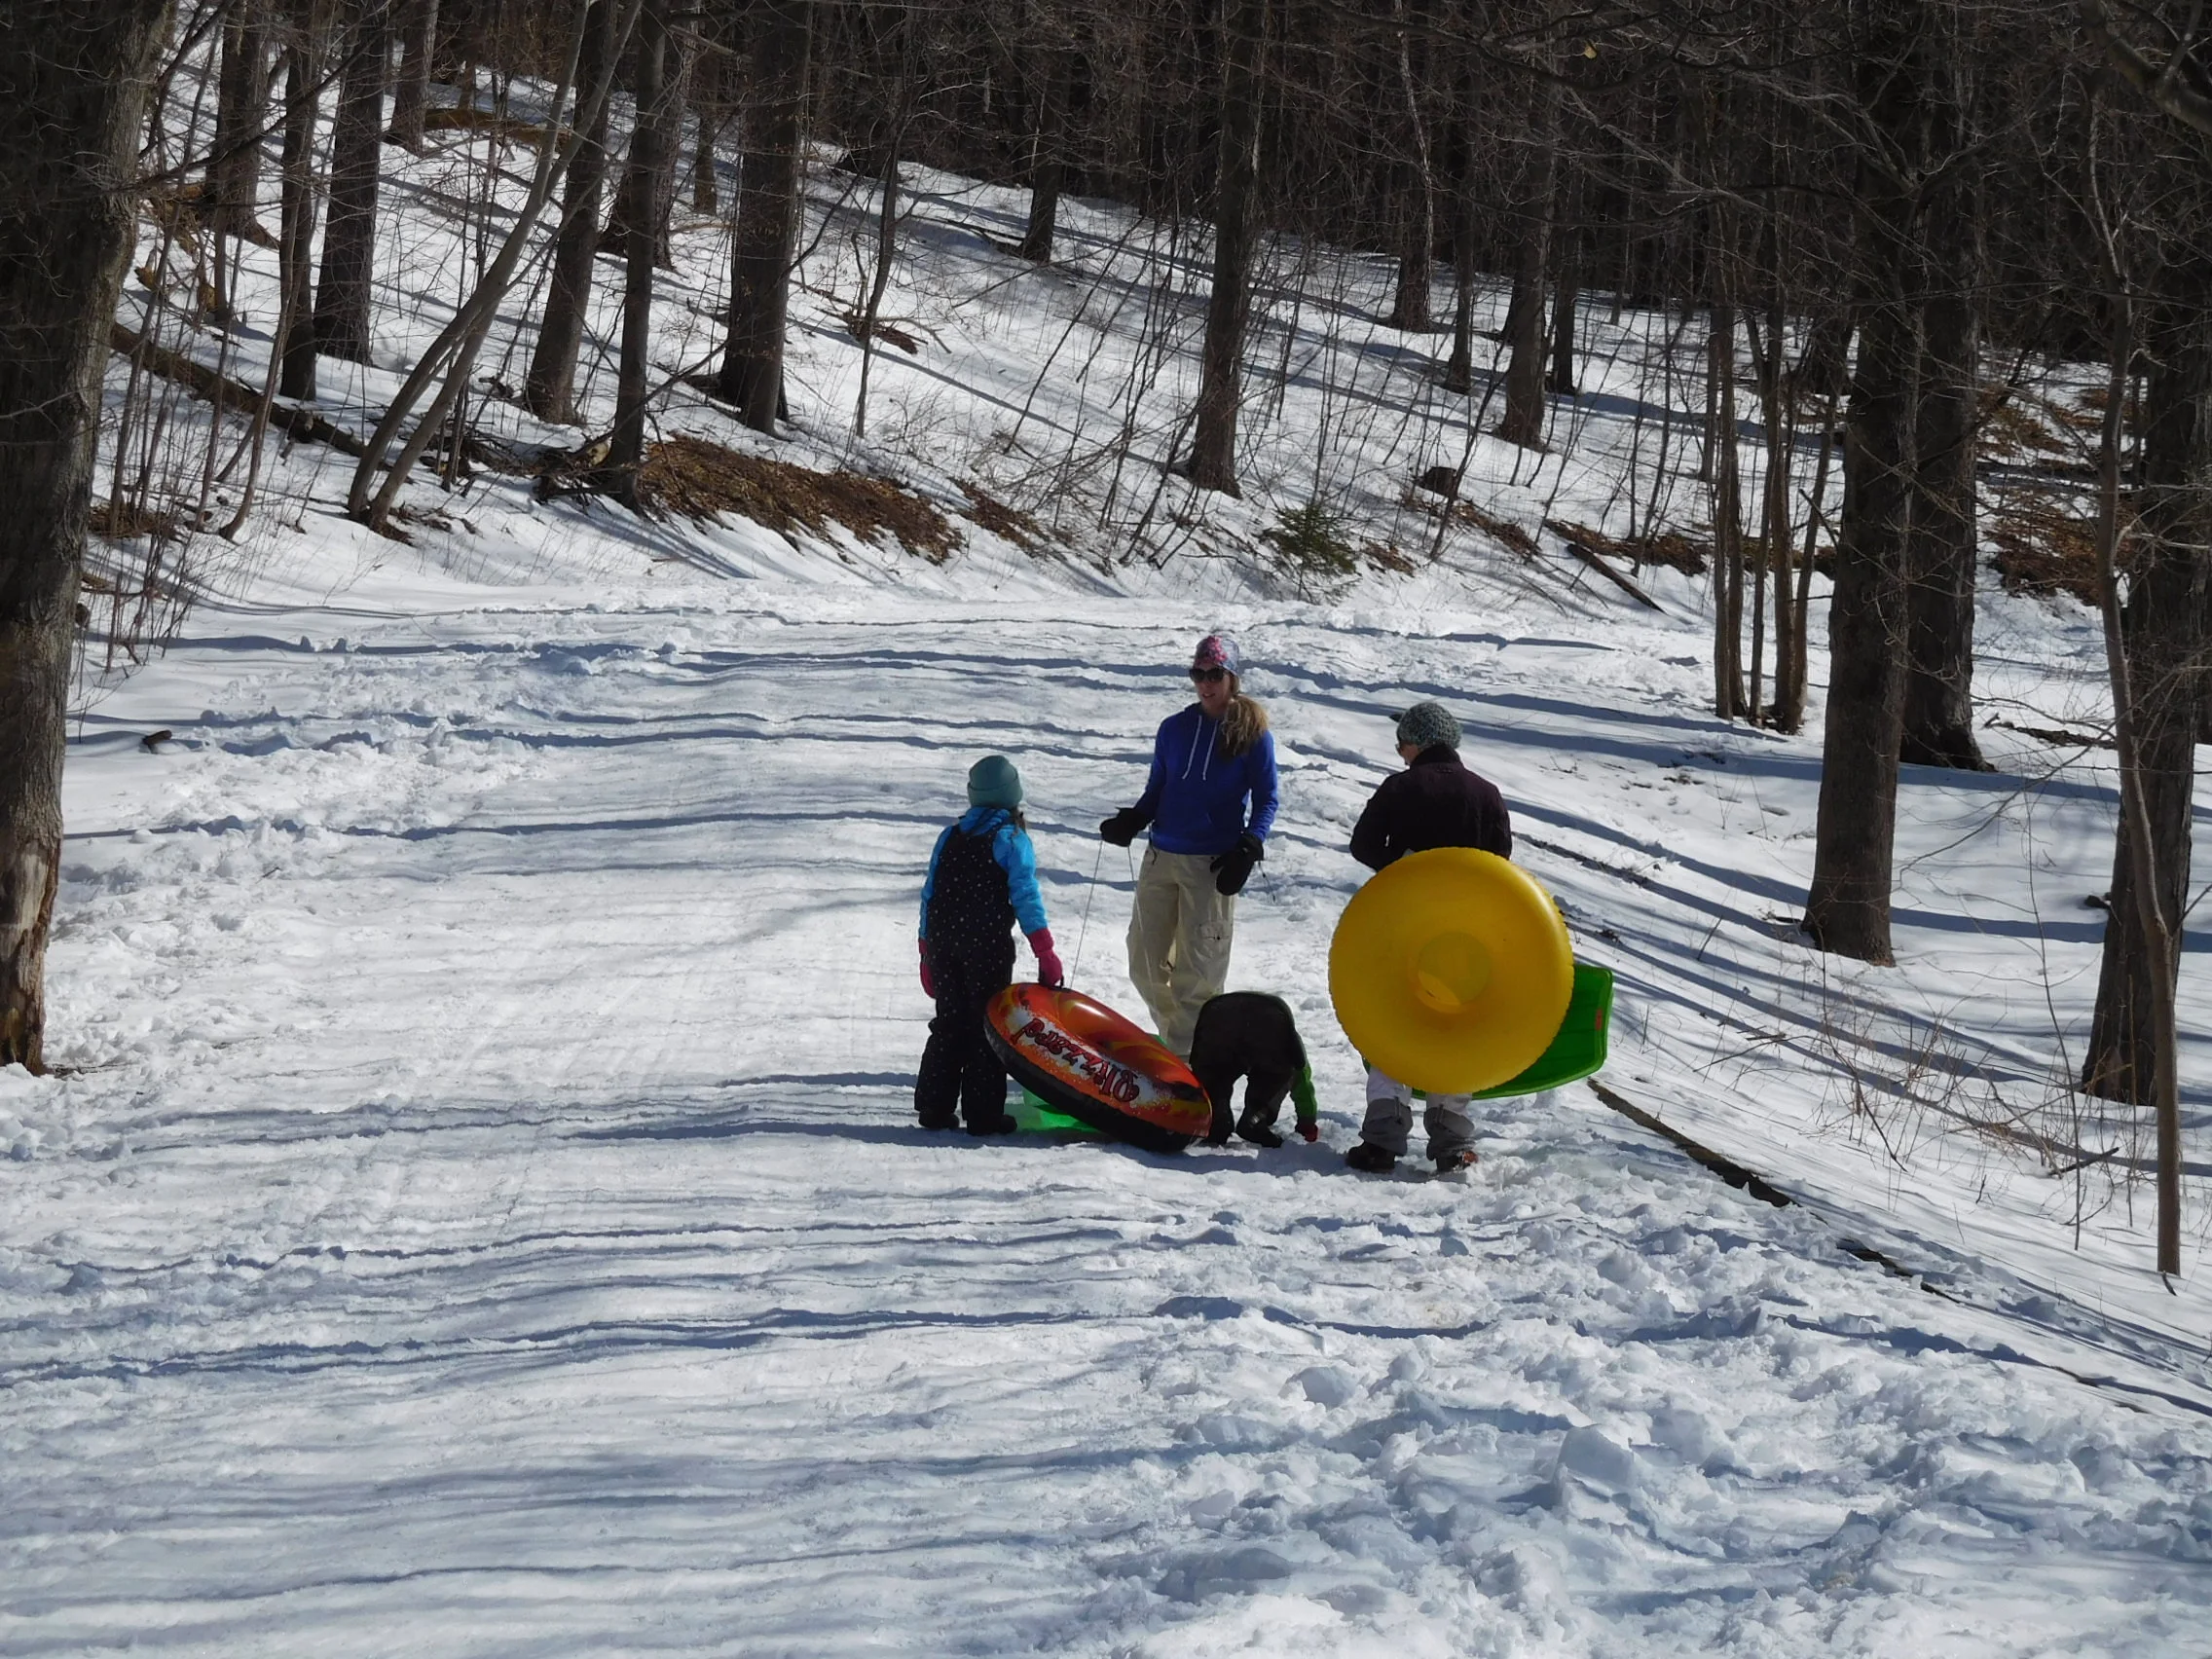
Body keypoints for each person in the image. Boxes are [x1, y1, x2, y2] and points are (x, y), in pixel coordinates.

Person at [1342, 702, 1512, 1175]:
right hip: (1466, 937)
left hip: (1403, 927)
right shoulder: (1487, 794)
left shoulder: (1402, 786)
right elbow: (1501, 864)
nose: (1399, 753)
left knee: (1395, 1023)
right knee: (1453, 1027)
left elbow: (1363, 844)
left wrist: (1404, 865)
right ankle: (1452, 1145)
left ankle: (1382, 1140)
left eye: (1401, 744)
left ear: (1417, 743)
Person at [1099, 632, 1278, 1056]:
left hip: (1213, 865)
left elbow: (1268, 798)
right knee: (1144, 962)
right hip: (1162, 856)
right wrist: (1135, 818)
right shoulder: (1174, 728)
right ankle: (1184, 1044)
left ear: (1232, 676)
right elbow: (1158, 786)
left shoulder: (1252, 734)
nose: (1205, 682)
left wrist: (1250, 845)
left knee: (1198, 976)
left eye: (1214, 673)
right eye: (1197, 673)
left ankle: (1189, 1067)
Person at [916, 756, 1064, 1135]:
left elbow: (929, 894)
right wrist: (1044, 951)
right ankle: (983, 1114)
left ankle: (935, 1106)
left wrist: (925, 949)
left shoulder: (949, 837)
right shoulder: (1011, 839)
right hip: (985, 946)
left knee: (950, 1021)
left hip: (943, 943)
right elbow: (1026, 898)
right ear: (1013, 796)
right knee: (987, 1024)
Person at [1189, 991, 1319, 1148]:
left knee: (1214, 1074)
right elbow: (1301, 1079)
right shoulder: (1286, 1039)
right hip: (1269, 1028)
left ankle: (1216, 1120)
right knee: (1276, 1075)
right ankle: (1255, 1120)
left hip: (1218, 1019)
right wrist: (1307, 1124)